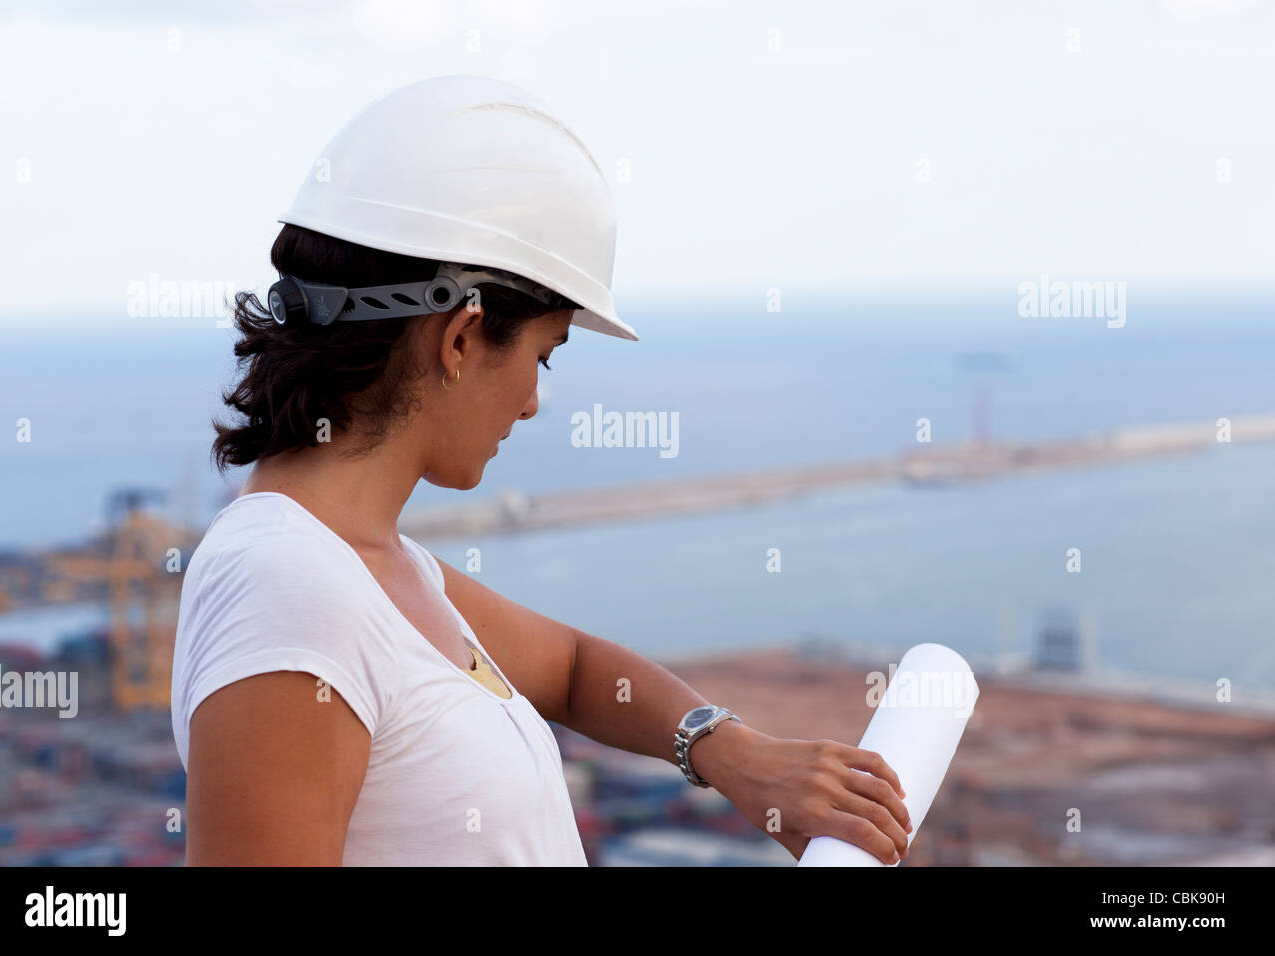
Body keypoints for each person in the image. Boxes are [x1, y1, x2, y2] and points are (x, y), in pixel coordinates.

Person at [171, 74, 912, 865]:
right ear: (460, 338)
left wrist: (732, 754)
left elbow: (575, 670)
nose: (530, 404)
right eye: (543, 357)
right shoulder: (292, 589)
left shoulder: (375, 569)